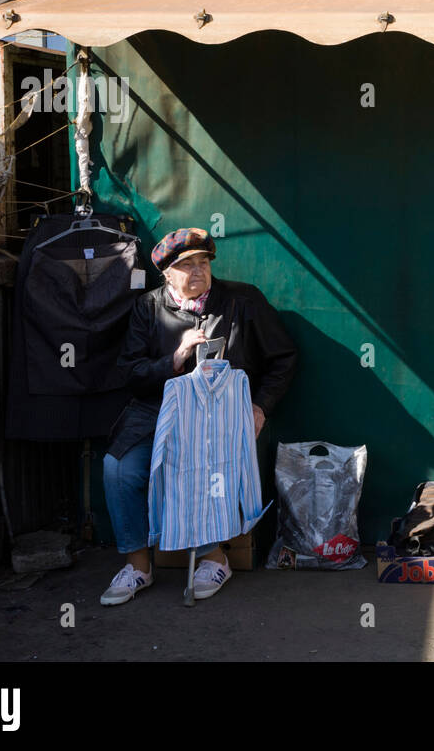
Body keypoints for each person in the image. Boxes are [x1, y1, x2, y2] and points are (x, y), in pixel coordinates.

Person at [99, 227, 299, 605]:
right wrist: (174, 358)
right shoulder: (148, 307)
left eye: (203, 263)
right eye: (186, 266)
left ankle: (213, 557)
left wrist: (259, 406)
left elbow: (283, 358)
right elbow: (131, 375)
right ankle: (138, 565)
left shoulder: (242, 300)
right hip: (155, 408)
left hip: (215, 414)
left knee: (194, 465)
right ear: (166, 274)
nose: (197, 273)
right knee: (118, 468)